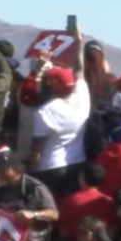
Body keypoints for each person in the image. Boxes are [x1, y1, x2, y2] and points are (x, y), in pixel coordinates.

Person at [30, 31, 91, 200]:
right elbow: (79, 69)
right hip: (77, 164)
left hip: (48, 168)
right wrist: (79, 43)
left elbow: (37, 150)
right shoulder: (82, 95)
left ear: (52, 86)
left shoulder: (46, 111)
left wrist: (30, 171)